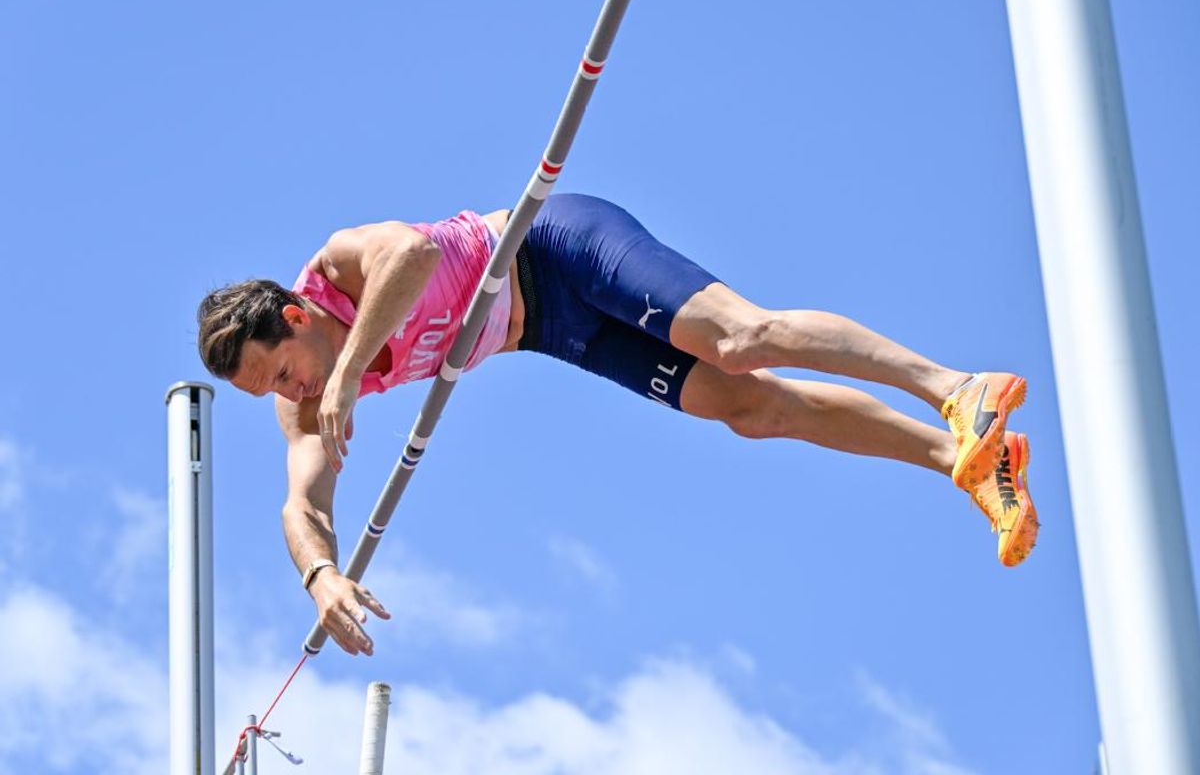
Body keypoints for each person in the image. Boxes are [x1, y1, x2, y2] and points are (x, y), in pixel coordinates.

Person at [197, 193, 1039, 657]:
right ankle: (964, 459)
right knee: (751, 410)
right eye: (269, 391)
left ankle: (955, 387)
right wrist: (321, 576)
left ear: (298, 316)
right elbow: (301, 503)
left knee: (741, 339)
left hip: (556, 246)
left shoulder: (341, 261)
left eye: (281, 371)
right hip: (551, 329)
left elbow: (412, 256)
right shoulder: (301, 401)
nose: (291, 393)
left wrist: (348, 372)